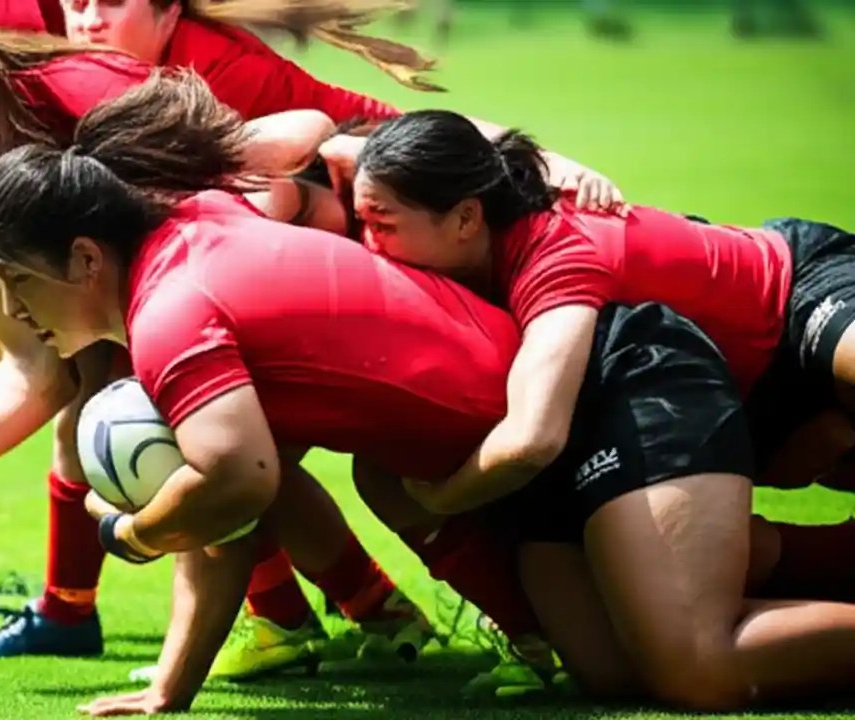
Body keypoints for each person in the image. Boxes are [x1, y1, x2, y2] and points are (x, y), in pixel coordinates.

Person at [0, 71, 630, 714]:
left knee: (663, 674)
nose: (10, 311)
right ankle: (528, 636)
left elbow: (236, 483)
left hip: (568, 447)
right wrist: (170, 691)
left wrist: (130, 533)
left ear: (83, 257)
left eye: (17, 281)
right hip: (543, 418)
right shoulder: (191, 226)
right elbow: (224, 518)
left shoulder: (171, 311)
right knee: (387, 477)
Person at [0, 12, 438, 670]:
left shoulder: (89, 101)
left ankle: (360, 613)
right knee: (137, 426)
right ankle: (356, 614)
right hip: (190, 289)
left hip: (340, 231)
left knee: (177, 435)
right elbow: (36, 362)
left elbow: (285, 147)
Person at [321, 109, 855, 707]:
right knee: (621, 667)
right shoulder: (460, 234)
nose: (367, 242)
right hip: (727, 388)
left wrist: (438, 500)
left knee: (695, 662)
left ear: (467, 217)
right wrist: (336, 144)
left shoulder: (558, 255)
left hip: (795, 289)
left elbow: (532, 439)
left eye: (381, 223)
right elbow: (293, 131)